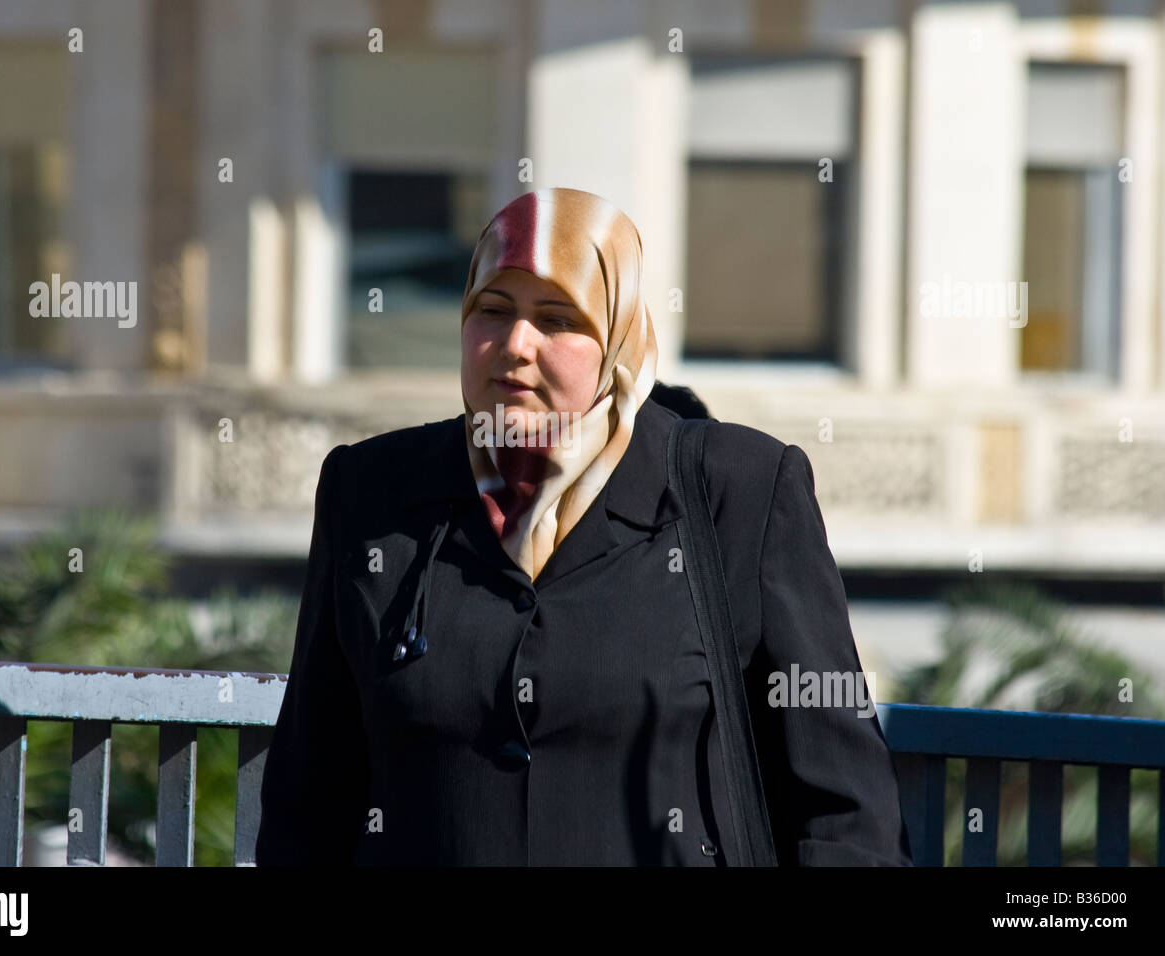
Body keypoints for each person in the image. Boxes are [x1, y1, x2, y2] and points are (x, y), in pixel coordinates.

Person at [255, 187, 913, 866]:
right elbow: (310, 799)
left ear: (619, 338)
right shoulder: (372, 494)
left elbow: (844, 807)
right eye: (492, 310)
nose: (515, 345)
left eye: (559, 319)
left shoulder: (735, 491)